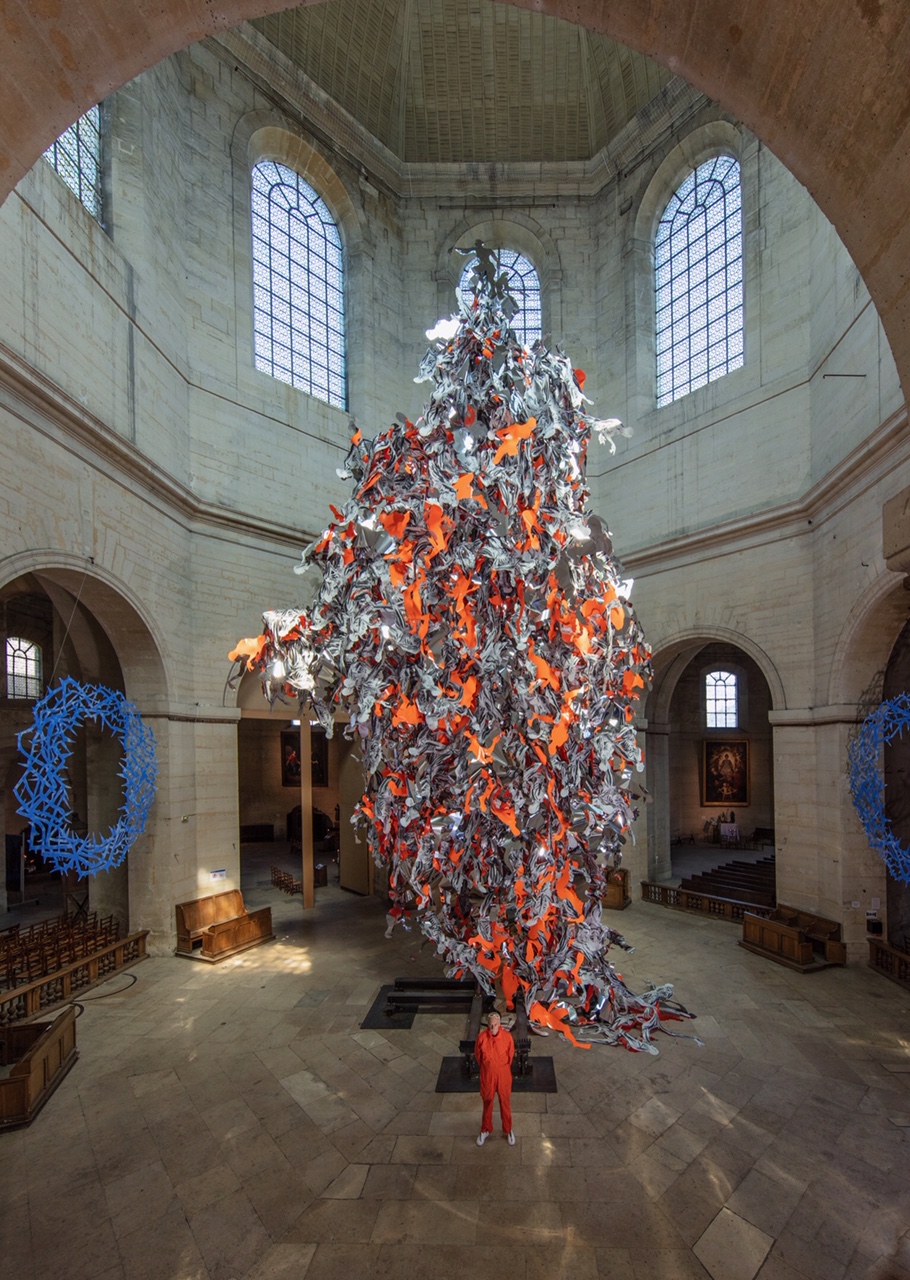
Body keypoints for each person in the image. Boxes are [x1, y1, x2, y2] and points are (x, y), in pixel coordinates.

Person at [474, 1010, 515, 1146]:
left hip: (503, 1074)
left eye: (495, 1025)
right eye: (491, 1025)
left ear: (499, 1024)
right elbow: (478, 1056)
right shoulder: (481, 1038)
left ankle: (508, 1130)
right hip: (488, 1074)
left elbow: (510, 1056)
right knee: (487, 1101)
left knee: (505, 1102)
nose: (493, 1028)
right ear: (487, 1024)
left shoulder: (507, 1037)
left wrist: (499, 1067)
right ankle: (485, 1129)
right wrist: (489, 1067)